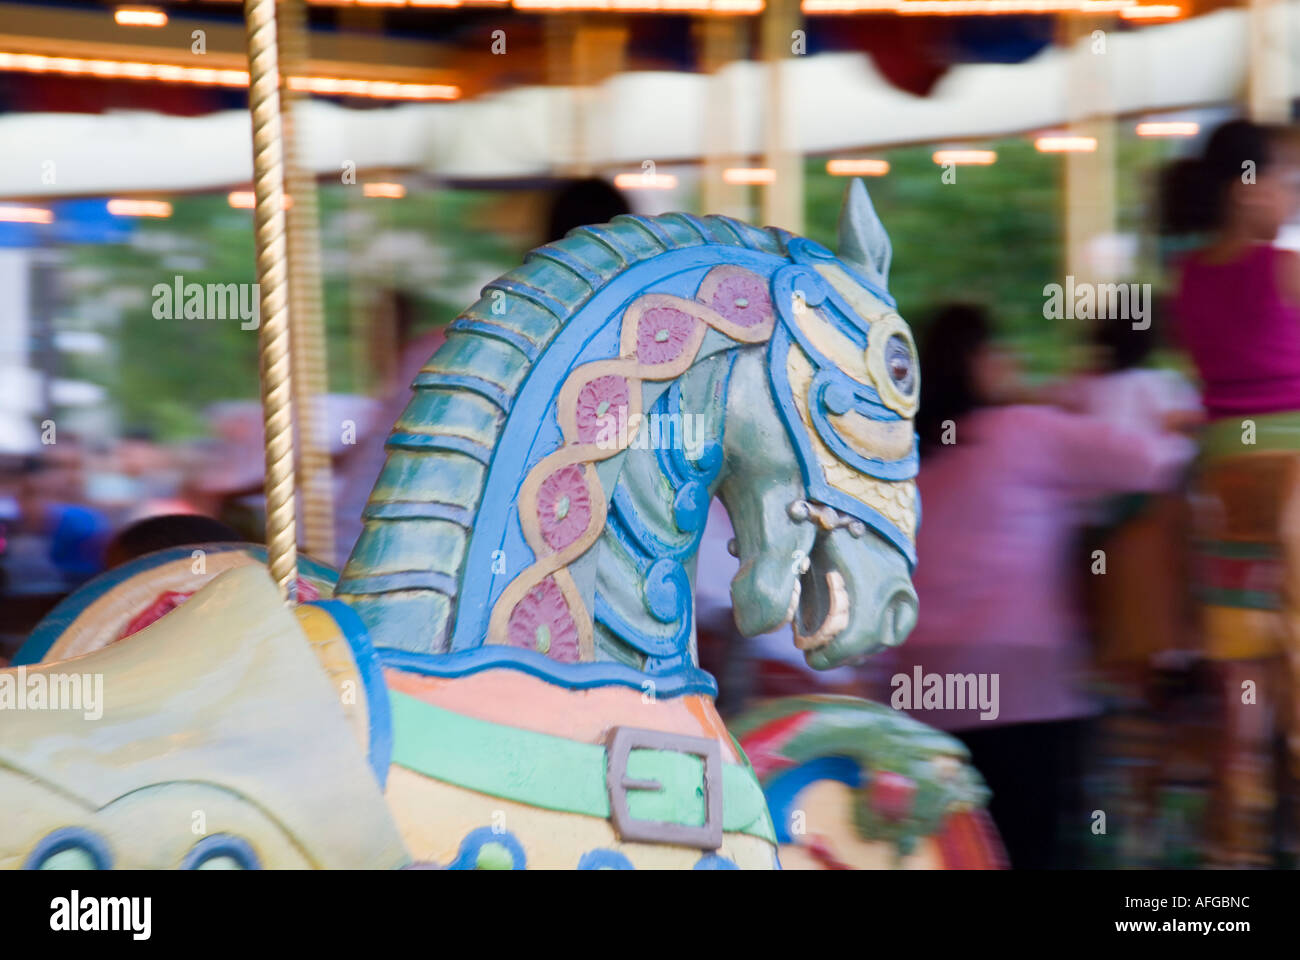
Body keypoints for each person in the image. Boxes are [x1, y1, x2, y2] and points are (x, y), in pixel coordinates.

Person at [870, 303, 1193, 869]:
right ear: (979, 362)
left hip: (918, 691)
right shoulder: (1024, 430)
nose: (1012, 360)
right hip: (1024, 690)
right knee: (1031, 849)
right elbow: (1152, 461)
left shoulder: (906, 456)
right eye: (999, 350)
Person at [1165, 118, 1300, 866]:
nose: (1289, 195)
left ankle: (1234, 845)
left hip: (1222, 481)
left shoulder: (1187, 280)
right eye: (1283, 179)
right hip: (1294, 473)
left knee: (1243, 674)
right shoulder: (1284, 268)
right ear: (1246, 188)